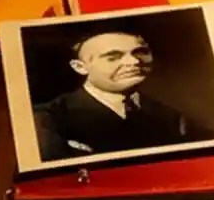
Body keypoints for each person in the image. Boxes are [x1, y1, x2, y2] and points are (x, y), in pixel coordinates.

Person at [33, 31, 203, 161]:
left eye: (140, 52)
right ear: (80, 67)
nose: (134, 62)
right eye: (113, 57)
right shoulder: (46, 119)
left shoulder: (173, 116)